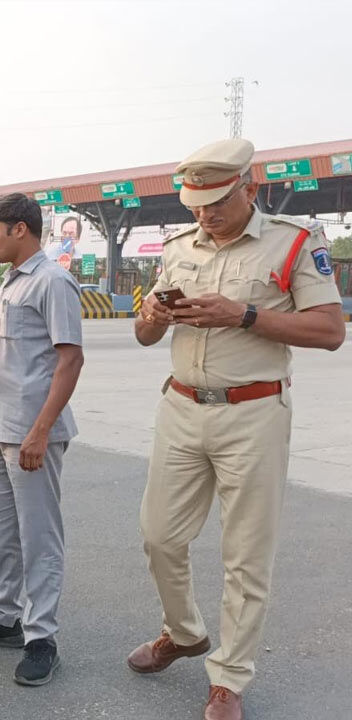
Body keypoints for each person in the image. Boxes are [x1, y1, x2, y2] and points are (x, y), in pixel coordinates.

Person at [130, 138, 344, 720]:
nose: (205, 214)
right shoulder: (177, 248)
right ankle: (184, 631)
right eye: (196, 204)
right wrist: (153, 316)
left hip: (253, 412)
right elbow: (145, 337)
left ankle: (228, 678)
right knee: (159, 535)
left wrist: (244, 315)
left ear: (250, 188)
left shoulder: (295, 242)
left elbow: (329, 331)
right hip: (181, 407)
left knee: (245, 553)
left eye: (217, 201)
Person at [0, 192, 84, 687]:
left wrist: (42, 430)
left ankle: (41, 636)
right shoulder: (9, 283)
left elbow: (69, 360)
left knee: (39, 536)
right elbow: (6, 364)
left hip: (32, 432)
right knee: (2, 532)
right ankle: (1, 615)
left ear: (20, 230)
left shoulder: (52, 282)